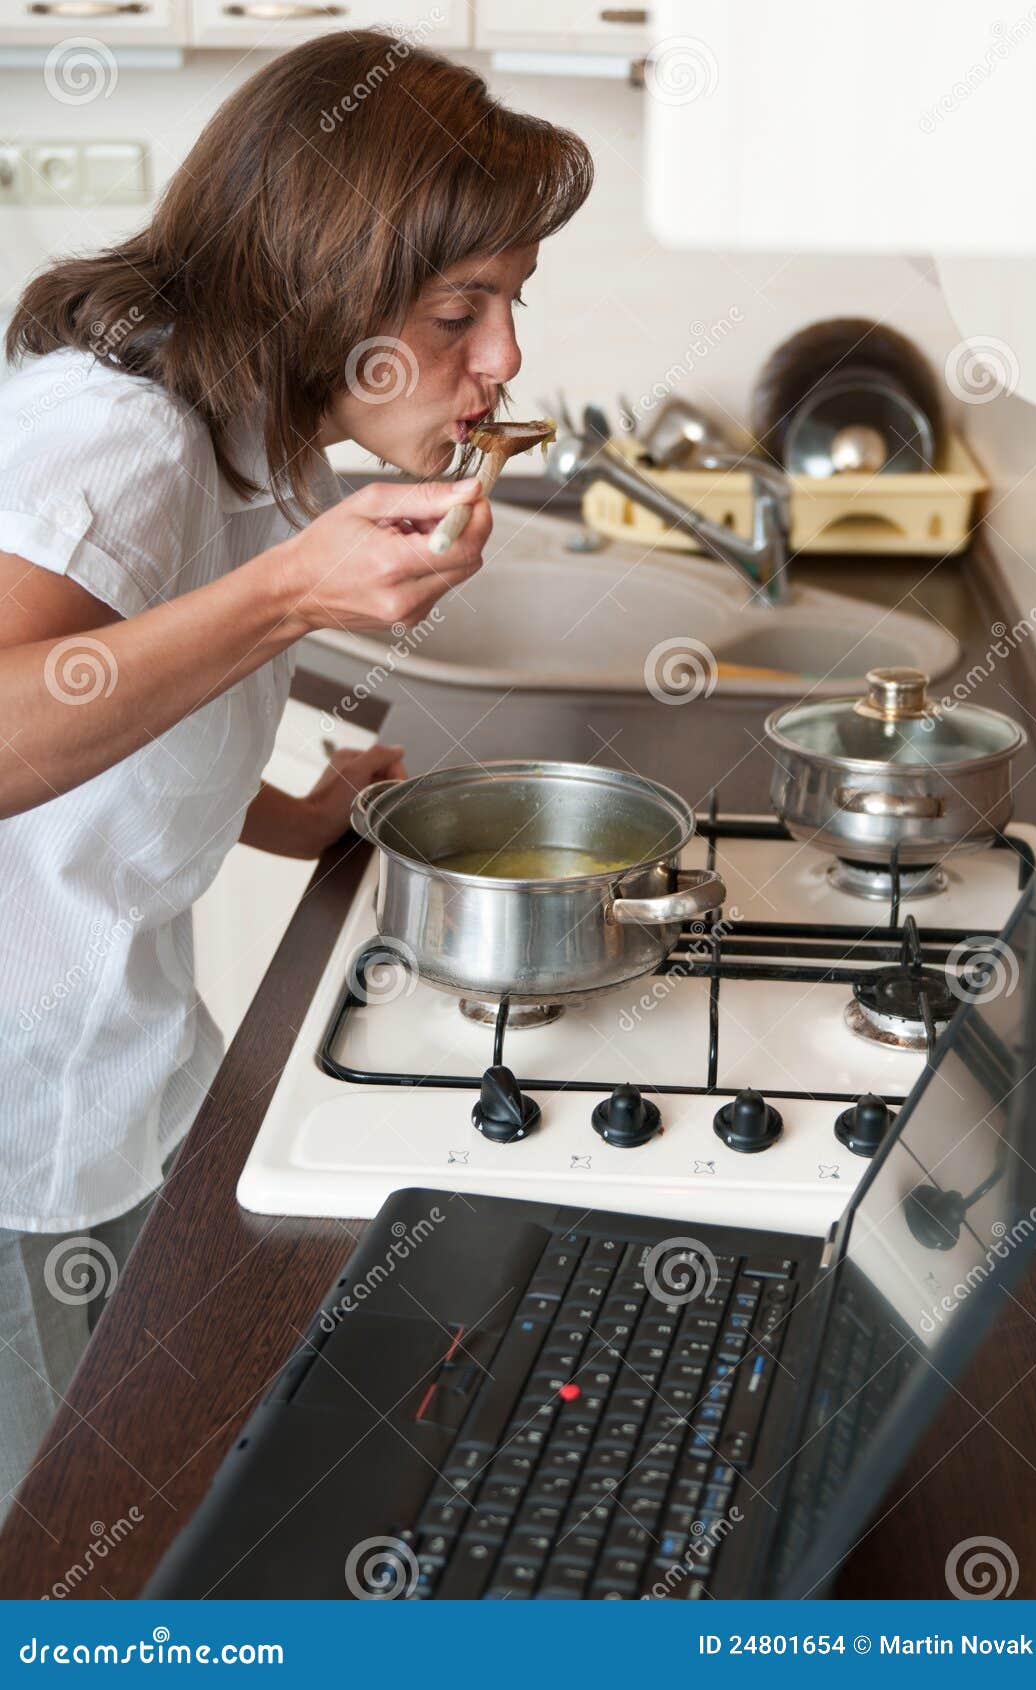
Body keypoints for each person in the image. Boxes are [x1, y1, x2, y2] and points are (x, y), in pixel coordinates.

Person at [0, 27, 593, 1516]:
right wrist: (291, 596)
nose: (505, 357)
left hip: (111, 1049)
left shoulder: (249, 432)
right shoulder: (115, 435)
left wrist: (285, 815)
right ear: (321, 278)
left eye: (510, 304)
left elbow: (121, 719)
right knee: (63, 1526)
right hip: (16, 1118)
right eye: (464, 308)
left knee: (164, 1454)